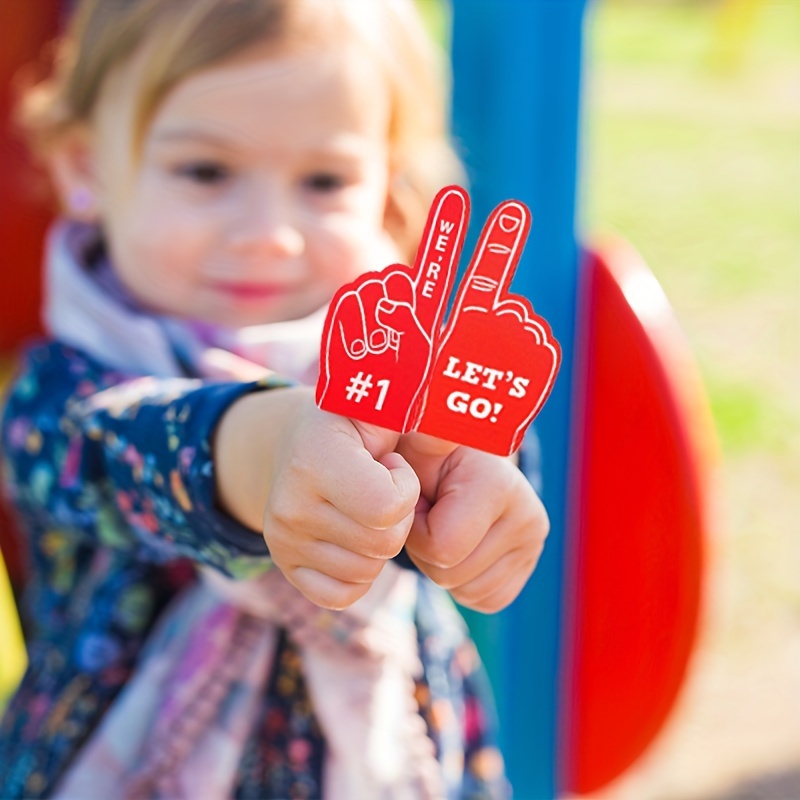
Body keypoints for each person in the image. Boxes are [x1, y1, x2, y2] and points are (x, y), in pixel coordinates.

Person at [0, 1, 550, 797]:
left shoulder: (416, 375)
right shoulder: (57, 393)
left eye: (323, 180)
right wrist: (280, 445)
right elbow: (132, 448)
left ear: (392, 199)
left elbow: (476, 465)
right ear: (86, 167)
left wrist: (465, 480)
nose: (269, 233)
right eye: (206, 171)